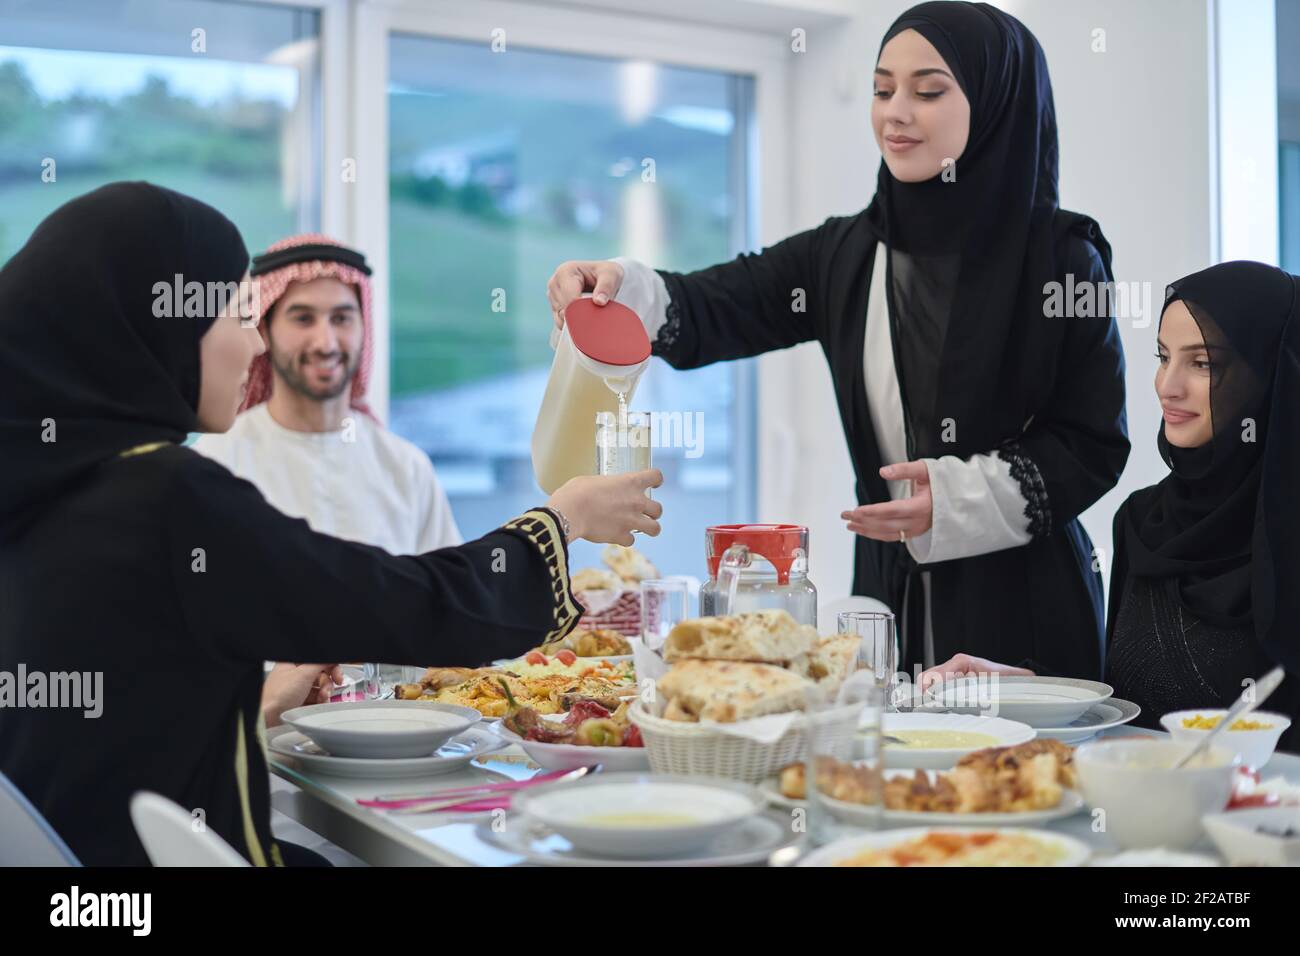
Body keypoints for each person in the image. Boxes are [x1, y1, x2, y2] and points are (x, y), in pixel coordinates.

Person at [0, 182, 663, 865]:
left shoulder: (46, 484)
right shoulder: (165, 497)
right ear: (155, 325)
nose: (254, 345)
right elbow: (406, 604)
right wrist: (563, 520)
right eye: (235, 314)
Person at [545, 1, 1128, 677]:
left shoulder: (1061, 258)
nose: (895, 112)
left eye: (929, 90)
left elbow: (1094, 441)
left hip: (1025, 614)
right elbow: (709, 305)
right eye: (883, 90)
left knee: (1008, 781)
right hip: (887, 604)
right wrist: (613, 282)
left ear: (997, 103)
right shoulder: (846, 253)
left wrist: (957, 496)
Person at [924, 262, 1300, 752]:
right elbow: (1126, 705)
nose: (1168, 385)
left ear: (1270, 375)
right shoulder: (1143, 521)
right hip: (1138, 813)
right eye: (1164, 357)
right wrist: (1019, 687)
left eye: (1202, 363)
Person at [193, 234, 460, 555]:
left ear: (364, 328)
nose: (326, 343)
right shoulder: (217, 461)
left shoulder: (407, 469)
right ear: (264, 329)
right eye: (303, 319)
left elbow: (446, 595)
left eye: (341, 319)